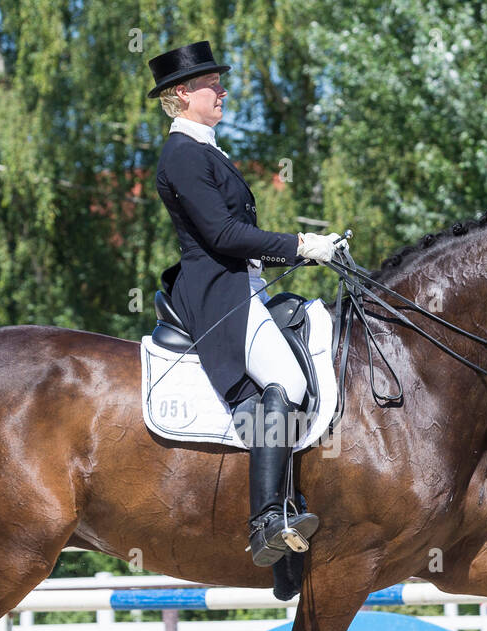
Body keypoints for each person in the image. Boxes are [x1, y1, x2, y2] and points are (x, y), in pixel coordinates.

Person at [148, 40, 345, 567]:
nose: (223, 90)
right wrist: (302, 244)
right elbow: (224, 233)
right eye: (213, 84)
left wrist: (309, 256)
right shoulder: (183, 154)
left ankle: (288, 531)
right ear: (182, 93)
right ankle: (267, 522)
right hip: (218, 293)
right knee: (289, 381)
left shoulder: (207, 148)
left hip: (244, 283)